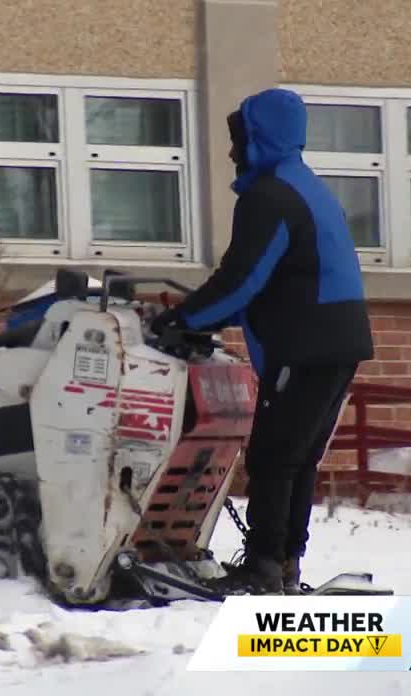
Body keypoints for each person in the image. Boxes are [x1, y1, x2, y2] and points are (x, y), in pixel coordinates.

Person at [151, 87, 375, 595]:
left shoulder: (269, 196)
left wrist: (183, 320)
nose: (232, 152)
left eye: (239, 139)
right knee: (297, 457)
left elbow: (242, 279)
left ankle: (264, 568)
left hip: (306, 343)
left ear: (260, 138)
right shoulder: (308, 187)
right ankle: (284, 563)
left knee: (274, 457)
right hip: (339, 341)